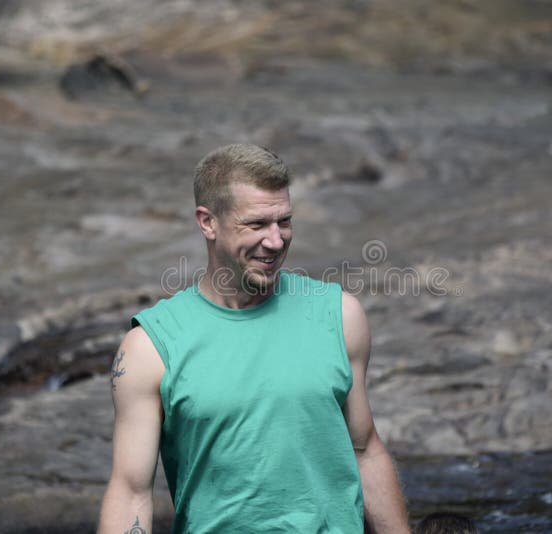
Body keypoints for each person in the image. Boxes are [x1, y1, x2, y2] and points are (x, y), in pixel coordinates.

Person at [97, 143, 410, 533]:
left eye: (285, 221)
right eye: (257, 225)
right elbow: (131, 492)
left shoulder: (339, 316)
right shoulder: (152, 347)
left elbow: (365, 452)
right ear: (207, 222)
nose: (277, 241)